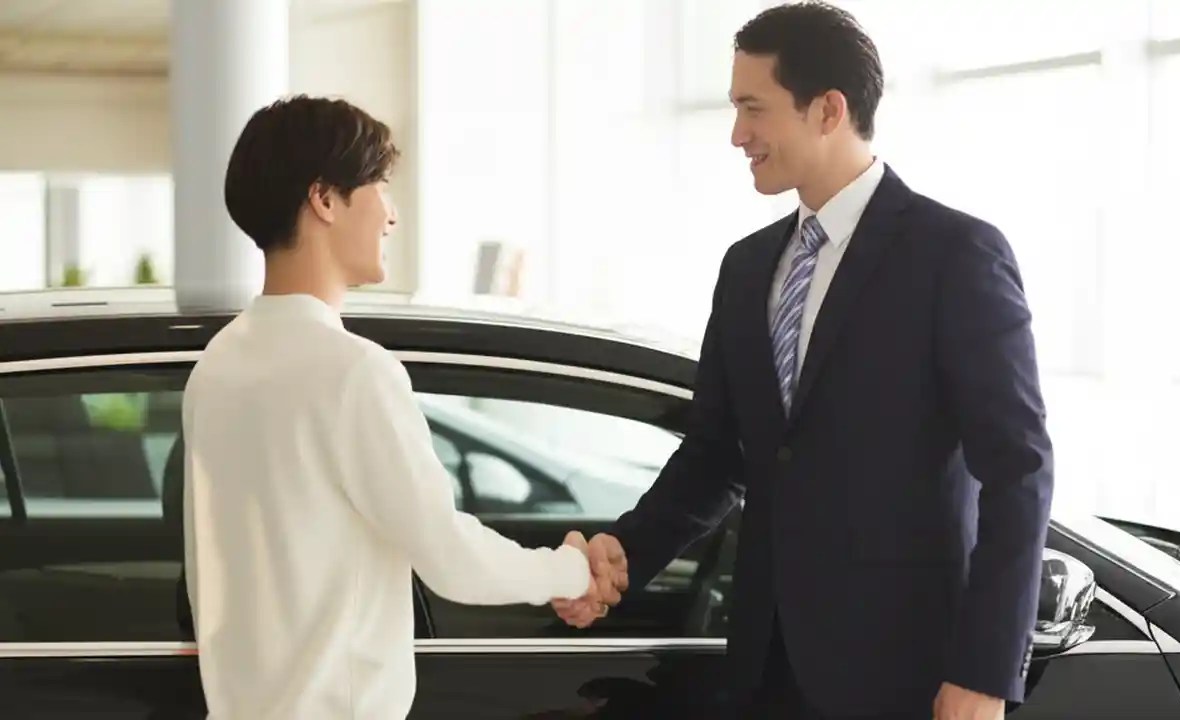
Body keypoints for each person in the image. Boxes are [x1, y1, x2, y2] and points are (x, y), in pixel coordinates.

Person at [554, 3, 1053, 719]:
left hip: (909, 674)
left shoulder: (954, 256)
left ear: (828, 110)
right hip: (764, 667)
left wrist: (984, 670)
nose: (737, 134)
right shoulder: (748, 267)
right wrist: (621, 555)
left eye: (753, 108)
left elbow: (1020, 469)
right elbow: (715, 457)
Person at [183, 95, 620, 719]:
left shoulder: (218, 365)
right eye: (379, 186)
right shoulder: (352, 371)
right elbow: (450, 558)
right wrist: (573, 572)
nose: (390, 215)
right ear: (324, 199)